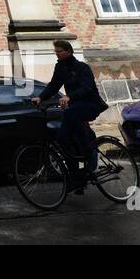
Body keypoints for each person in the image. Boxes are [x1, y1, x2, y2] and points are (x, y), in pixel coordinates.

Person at [31, 40, 108, 188]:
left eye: (59, 51)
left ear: (68, 51)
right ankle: (76, 176)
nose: (57, 54)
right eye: (56, 51)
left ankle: (88, 150)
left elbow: (87, 88)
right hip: (74, 106)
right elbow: (54, 85)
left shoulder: (82, 67)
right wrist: (41, 97)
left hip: (90, 104)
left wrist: (70, 97)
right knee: (62, 139)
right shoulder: (60, 67)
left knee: (71, 114)